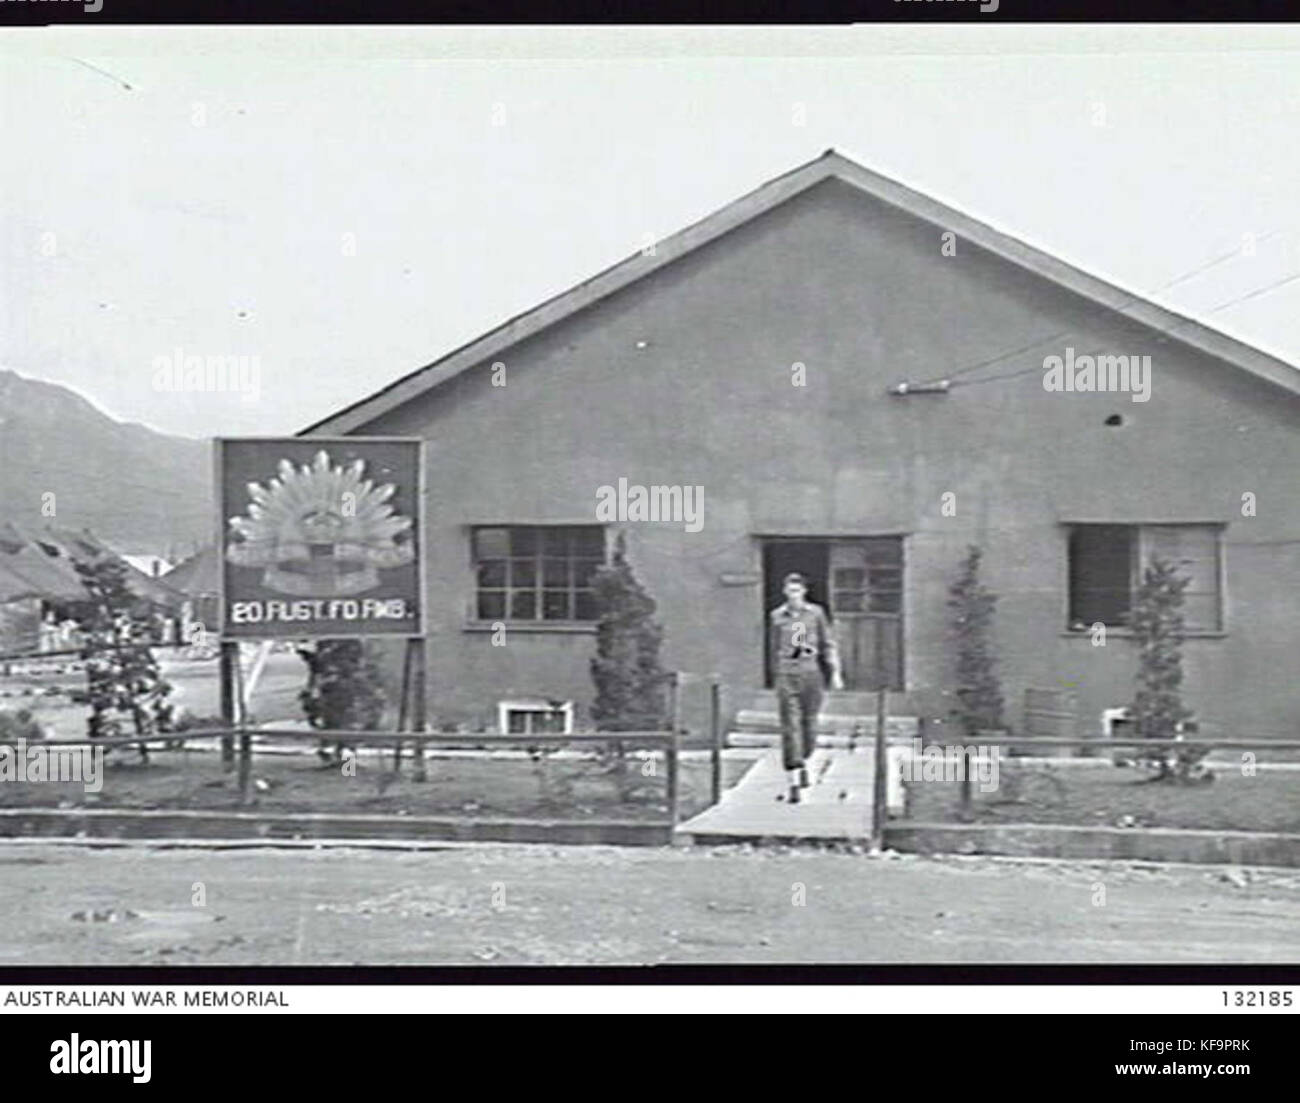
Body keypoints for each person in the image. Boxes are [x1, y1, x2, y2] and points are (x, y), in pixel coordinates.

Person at [769, 572, 843, 804]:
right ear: (784, 592)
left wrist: (835, 672)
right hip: (786, 673)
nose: (794, 595)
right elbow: (773, 647)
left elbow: (828, 643)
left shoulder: (815, 614)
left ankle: (806, 761)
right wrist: (777, 673)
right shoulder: (777, 617)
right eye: (790, 591)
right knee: (790, 724)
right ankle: (794, 773)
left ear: (804, 592)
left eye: (797, 590)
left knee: (810, 722)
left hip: (811, 672)